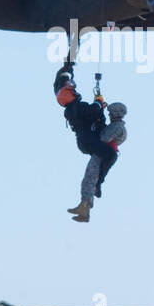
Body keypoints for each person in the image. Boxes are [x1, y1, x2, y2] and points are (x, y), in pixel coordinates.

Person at [54, 66, 120, 215]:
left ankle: (92, 193)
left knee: (103, 159)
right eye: (72, 89)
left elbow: (92, 114)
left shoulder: (74, 108)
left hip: (88, 139)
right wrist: (98, 103)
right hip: (87, 140)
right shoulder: (74, 108)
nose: (74, 89)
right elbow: (92, 111)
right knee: (111, 155)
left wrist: (98, 105)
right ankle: (98, 183)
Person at [68, 101, 126, 222]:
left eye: (111, 113)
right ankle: (84, 208)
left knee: (90, 179)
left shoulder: (117, 127)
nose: (109, 115)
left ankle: (84, 208)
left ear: (116, 113)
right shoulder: (118, 126)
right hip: (103, 153)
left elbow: (103, 137)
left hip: (102, 154)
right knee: (90, 179)